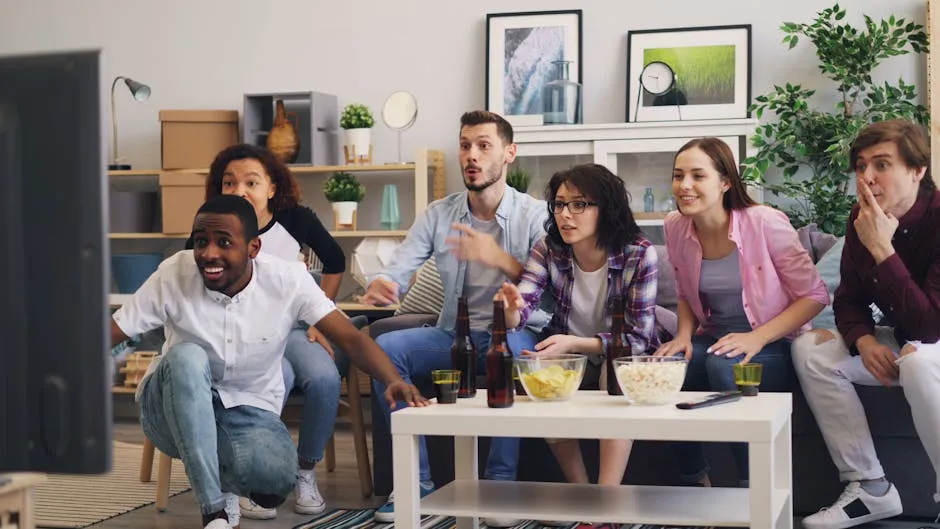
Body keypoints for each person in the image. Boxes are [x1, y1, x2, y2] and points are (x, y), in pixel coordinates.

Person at [111, 195, 426, 529]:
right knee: (188, 356)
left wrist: (392, 379)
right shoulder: (174, 273)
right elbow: (113, 331)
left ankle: (225, 472)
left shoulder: (288, 280)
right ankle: (213, 512)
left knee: (273, 482)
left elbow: (349, 337)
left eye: (224, 243)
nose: (208, 254)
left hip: (246, 412)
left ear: (254, 248)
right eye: (201, 242)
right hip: (169, 407)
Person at [360, 110, 547, 526]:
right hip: (454, 336)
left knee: (513, 352)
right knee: (384, 349)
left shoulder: (535, 215)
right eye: (465, 146)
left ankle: (500, 484)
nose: (471, 156)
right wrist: (386, 283)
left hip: (515, 334)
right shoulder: (439, 214)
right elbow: (400, 267)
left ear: (509, 153)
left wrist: (497, 258)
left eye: (484, 145)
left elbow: (550, 284)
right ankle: (416, 482)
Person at [654, 137, 828, 487]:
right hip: (717, 336)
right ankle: (695, 484)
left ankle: (756, 488)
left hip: (775, 339)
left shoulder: (764, 222)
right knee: (668, 370)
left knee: (725, 366)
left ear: (725, 181)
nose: (684, 185)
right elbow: (685, 290)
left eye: (697, 176)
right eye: (678, 175)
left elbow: (814, 295)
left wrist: (756, 338)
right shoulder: (675, 225)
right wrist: (684, 335)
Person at [792, 119, 940, 529]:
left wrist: (882, 248)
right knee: (811, 350)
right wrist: (864, 341)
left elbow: (930, 327)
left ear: (917, 170)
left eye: (881, 164)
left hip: (932, 343)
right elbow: (849, 300)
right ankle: (871, 487)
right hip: (909, 340)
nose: (867, 177)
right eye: (860, 166)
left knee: (919, 360)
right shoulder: (862, 216)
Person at [190, 144, 350, 519]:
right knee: (268, 378)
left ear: (272, 188)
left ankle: (303, 473)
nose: (239, 190)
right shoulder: (210, 223)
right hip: (237, 332)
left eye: (251, 182)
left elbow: (336, 260)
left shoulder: (296, 218)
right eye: (229, 183)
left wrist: (318, 318)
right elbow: (192, 280)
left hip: (292, 327)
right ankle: (246, 480)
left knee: (325, 377)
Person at [498, 163, 659, 529]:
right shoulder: (549, 248)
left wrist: (575, 342)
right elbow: (520, 312)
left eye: (579, 205)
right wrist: (509, 311)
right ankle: (583, 497)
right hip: (570, 352)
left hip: (621, 352)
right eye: (559, 204)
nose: (565, 215)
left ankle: (605, 505)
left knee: (617, 371)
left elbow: (636, 337)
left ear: (606, 208)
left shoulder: (640, 253)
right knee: (540, 375)